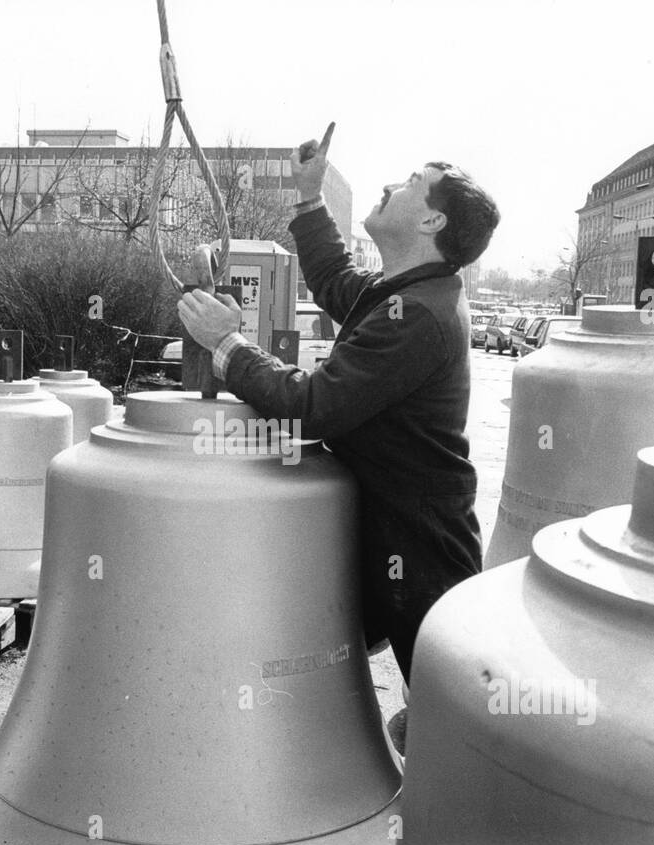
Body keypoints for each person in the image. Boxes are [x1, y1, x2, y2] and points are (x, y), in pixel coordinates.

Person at [178, 123, 500, 684]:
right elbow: (332, 278)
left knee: (452, 712)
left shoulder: (418, 314)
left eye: (411, 182)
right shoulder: (405, 292)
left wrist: (226, 344)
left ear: (431, 221)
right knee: (423, 704)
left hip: (417, 543)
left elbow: (311, 405)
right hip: (391, 523)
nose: (389, 185)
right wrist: (309, 193)